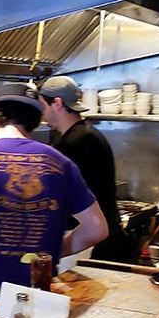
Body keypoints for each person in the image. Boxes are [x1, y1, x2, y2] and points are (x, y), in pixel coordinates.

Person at [0, 81, 109, 318]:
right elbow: (97, 230)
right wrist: (50, 253)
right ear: (35, 121)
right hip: (39, 294)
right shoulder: (63, 165)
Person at [39, 74, 139, 263]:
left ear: (57, 103)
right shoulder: (81, 134)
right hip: (97, 235)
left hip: (90, 241)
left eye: (43, 105)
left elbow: (62, 196)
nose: (41, 112)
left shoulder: (76, 143)